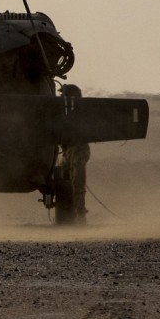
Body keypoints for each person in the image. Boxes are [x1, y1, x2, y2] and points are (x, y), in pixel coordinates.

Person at [60, 83, 89, 223]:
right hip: (70, 151)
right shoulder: (65, 113)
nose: (61, 97)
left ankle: (80, 214)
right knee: (68, 179)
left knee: (78, 182)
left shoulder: (79, 114)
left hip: (78, 150)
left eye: (64, 95)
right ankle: (71, 215)